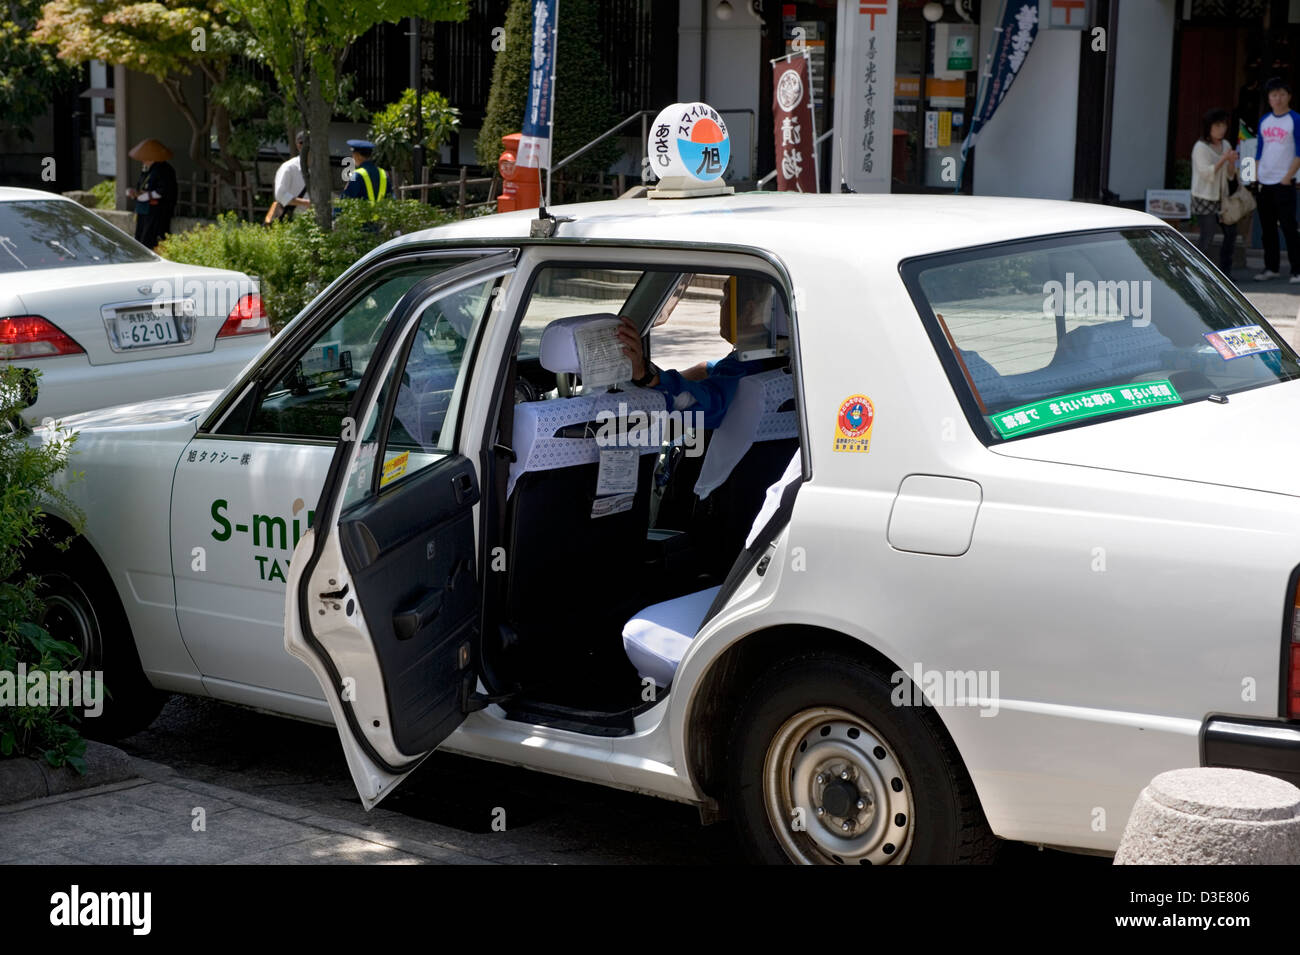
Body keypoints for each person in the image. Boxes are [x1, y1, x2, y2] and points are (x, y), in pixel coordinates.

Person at [616, 275, 783, 429]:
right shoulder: (777, 357)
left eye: (725, 296)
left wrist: (647, 374)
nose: (720, 304)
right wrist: (705, 368)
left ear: (748, 311)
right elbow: (712, 369)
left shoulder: (744, 366)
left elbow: (700, 404)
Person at [1253, 77, 1300, 281]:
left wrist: (1288, 177)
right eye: (1274, 95)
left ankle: (1296, 269)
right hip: (1264, 181)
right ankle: (1270, 268)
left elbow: (1299, 152)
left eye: (1281, 94)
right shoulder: (1265, 120)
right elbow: (1259, 151)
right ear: (1269, 98)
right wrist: (1255, 177)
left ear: (1288, 96)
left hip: (1284, 182)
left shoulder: (1295, 119)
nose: (1278, 98)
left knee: (1289, 227)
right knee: (1267, 228)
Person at [1191, 108, 1239, 276]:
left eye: (1224, 125)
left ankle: (1225, 271)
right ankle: (1197, 272)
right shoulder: (1200, 147)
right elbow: (1206, 173)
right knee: (1207, 236)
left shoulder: (1226, 145)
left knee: (1231, 233)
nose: (1221, 129)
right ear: (1209, 127)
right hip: (1204, 196)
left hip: (1222, 197)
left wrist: (1231, 162)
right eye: (1217, 125)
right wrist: (1224, 159)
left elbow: (1230, 174)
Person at [125, 138, 177, 249]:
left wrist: (149, 195)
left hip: (157, 209)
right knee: (140, 236)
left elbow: (165, 190)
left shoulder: (165, 170)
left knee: (152, 237)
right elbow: (142, 186)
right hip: (144, 209)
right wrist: (135, 193)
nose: (143, 161)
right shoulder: (147, 169)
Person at [264, 131, 310, 224]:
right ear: (299, 146)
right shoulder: (289, 168)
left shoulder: (316, 170)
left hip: (309, 221)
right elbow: (280, 195)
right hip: (289, 220)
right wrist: (306, 203)